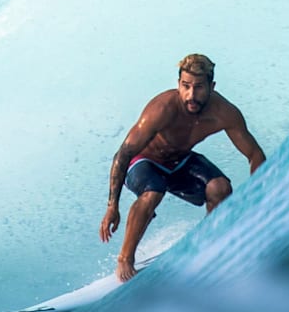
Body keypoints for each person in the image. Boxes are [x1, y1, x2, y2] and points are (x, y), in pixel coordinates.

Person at [99, 53, 266, 281]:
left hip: (179, 161)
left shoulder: (224, 113)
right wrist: (112, 206)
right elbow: (124, 153)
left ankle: (213, 242)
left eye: (198, 87)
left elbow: (255, 154)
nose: (191, 95)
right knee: (153, 191)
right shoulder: (162, 109)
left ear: (211, 86)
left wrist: (260, 195)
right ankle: (125, 260)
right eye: (185, 86)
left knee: (220, 188)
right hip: (142, 162)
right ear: (178, 84)